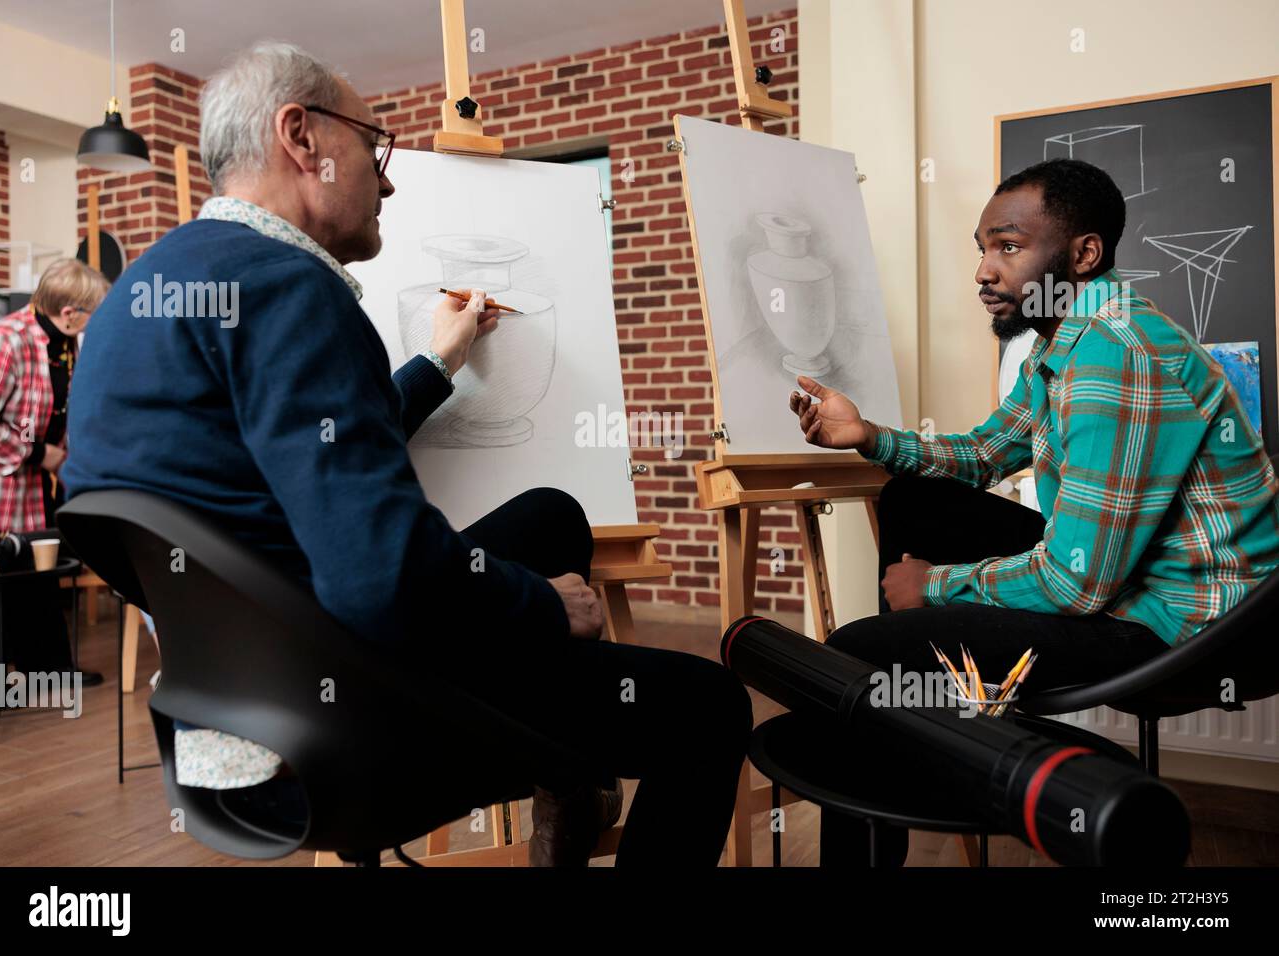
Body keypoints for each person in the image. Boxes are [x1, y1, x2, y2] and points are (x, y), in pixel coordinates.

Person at [63, 41, 752, 867]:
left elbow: (309, 445)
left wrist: (440, 363)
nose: (387, 180)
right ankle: (575, 761)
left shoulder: (148, 291)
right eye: (373, 145)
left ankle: (572, 776)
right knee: (709, 706)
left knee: (551, 517)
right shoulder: (292, 290)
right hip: (347, 717)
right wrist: (537, 603)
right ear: (303, 138)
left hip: (224, 725)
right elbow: (377, 576)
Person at [788, 158, 1279, 866]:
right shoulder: (1063, 341)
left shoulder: (1118, 353)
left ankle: (909, 716)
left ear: (1083, 254)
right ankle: (923, 720)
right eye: (983, 249)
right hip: (1129, 580)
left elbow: (1078, 585)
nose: (985, 271)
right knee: (915, 495)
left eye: (1009, 247)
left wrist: (936, 585)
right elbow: (986, 452)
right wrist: (868, 437)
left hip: (1193, 626)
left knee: (856, 656)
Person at [0, 258, 110, 685]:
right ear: (69, 313)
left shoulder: (63, 343)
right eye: (93, 312)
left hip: (35, 483)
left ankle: (49, 670)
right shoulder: (4, 339)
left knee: (36, 575)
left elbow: (54, 407)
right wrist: (42, 456)